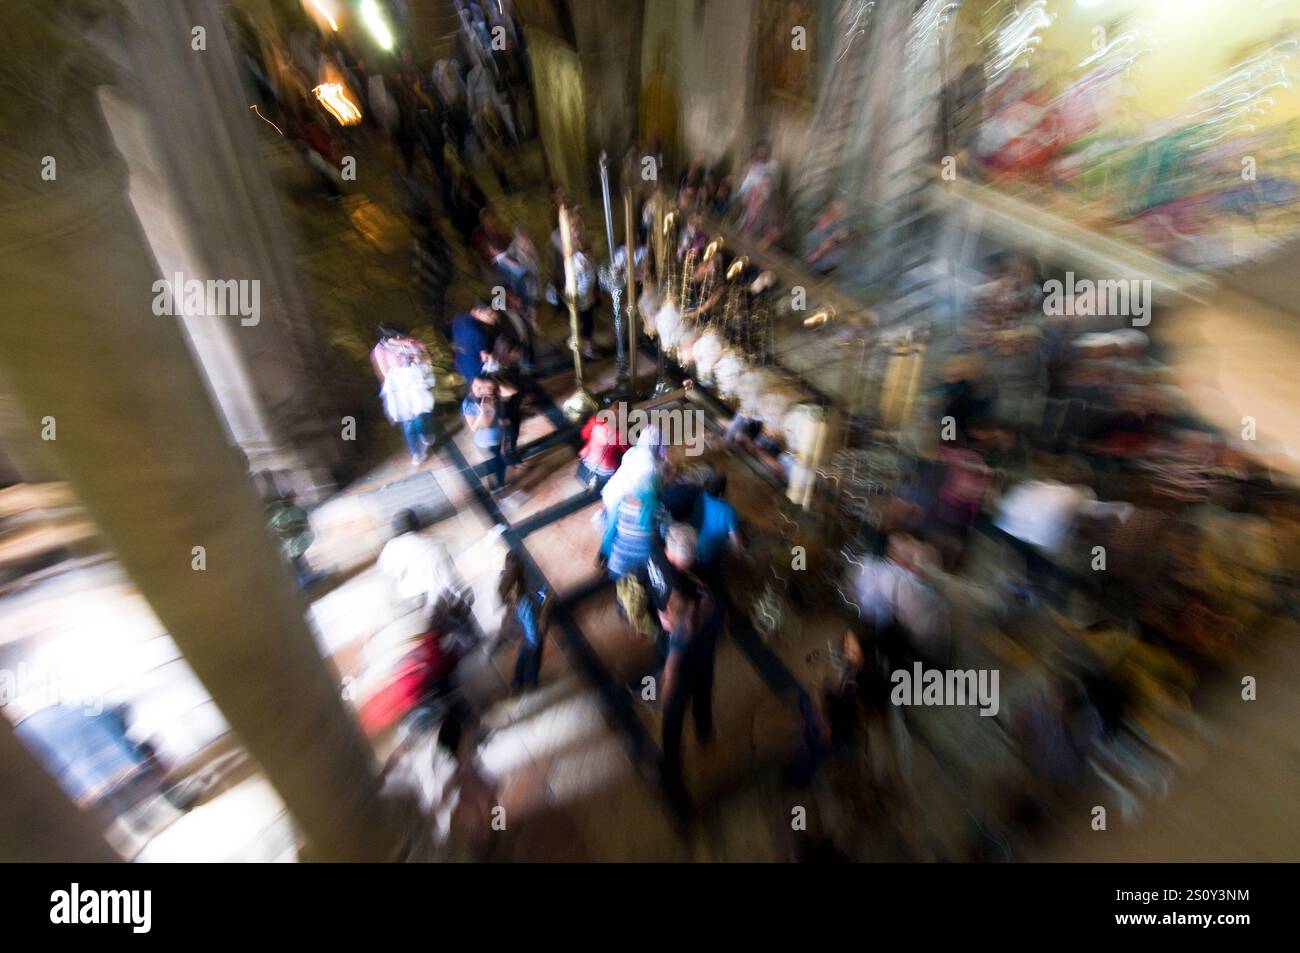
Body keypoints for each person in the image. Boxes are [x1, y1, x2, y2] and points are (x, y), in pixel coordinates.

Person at [656, 523, 723, 811]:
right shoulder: (699, 593)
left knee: (677, 722)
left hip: (692, 665)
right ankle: (701, 734)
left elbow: (673, 664)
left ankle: (673, 776)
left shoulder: (685, 620)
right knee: (696, 701)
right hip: (698, 661)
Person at [378, 509, 467, 616]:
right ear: (418, 524)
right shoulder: (434, 545)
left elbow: (387, 582)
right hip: (438, 606)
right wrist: (464, 594)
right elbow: (451, 579)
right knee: (462, 618)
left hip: (410, 610)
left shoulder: (389, 550)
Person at [498, 553, 551, 693]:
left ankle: (517, 682)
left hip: (521, 630)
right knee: (533, 656)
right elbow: (530, 617)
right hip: (530, 632)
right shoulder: (523, 596)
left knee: (522, 654)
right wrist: (536, 634)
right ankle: (530, 683)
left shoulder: (506, 582)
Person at [381, 351, 436, 465]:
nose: (396, 359)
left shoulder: (418, 368)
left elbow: (430, 379)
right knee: (409, 428)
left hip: (419, 403)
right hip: (403, 406)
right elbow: (389, 393)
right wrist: (392, 411)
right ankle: (416, 453)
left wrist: (422, 385)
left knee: (421, 421)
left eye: (399, 356)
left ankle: (426, 434)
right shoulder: (392, 375)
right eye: (393, 358)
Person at [462, 374, 508, 491]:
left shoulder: (493, 398)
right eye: (475, 385)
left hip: (495, 436)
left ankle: (500, 482)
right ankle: (497, 482)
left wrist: (486, 410)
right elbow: (474, 427)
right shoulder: (469, 402)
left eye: (482, 387)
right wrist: (483, 412)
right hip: (484, 439)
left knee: (497, 458)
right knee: (494, 459)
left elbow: (511, 392)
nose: (476, 389)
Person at [691, 470, 742, 574]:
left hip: (691, 548)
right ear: (721, 493)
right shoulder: (728, 511)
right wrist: (738, 556)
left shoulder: (701, 496)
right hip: (708, 556)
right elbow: (736, 545)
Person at [266, 491, 318, 589]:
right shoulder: (281, 512)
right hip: (289, 544)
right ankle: (303, 581)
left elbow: (300, 521)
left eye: (293, 498)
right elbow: (282, 527)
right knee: (296, 561)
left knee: (298, 559)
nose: (293, 500)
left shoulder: (292, 510)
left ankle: (305, 578)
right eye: (291, 498)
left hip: (294, 542)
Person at [576, 407, 629, 490]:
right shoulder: (619, 436)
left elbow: (584, 435)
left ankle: (588, 484)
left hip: (586, 463)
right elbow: (628, 452)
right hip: (605, 473)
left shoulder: (594, 421)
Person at [451, 301, 498, 386]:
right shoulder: (479, 334)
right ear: (479, 312)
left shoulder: (459, 317)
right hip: (476, 370)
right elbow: (485, 358)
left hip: (461, 364)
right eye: (490, 314)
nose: (494, 317)